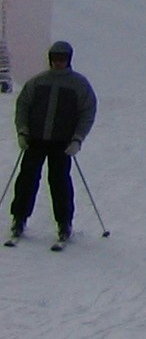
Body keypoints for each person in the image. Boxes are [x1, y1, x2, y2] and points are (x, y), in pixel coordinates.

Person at [10, 40, 96, 250]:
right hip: (36, 140)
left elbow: (87, 112)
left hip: (62, 142)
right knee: (27, 179)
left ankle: (64, 223)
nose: (58, 63)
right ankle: (19, 219)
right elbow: (23, 106)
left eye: (62, 59)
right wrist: (23, 131)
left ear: (69, 60)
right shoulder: (38, 82)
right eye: (55, 59)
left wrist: (77, 139)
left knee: (59, 182)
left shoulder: (78, 84)